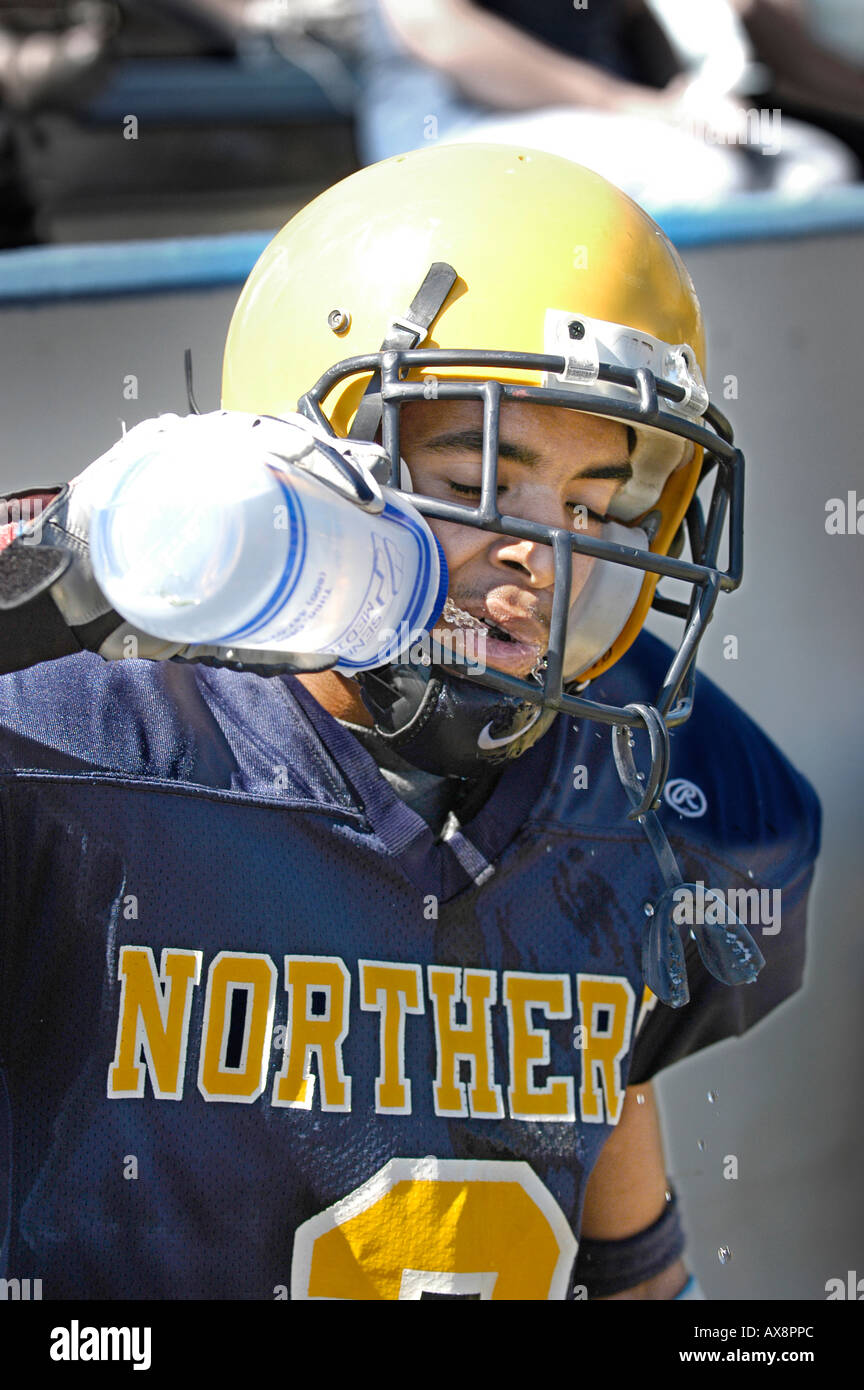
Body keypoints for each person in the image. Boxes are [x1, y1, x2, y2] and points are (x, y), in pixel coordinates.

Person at [0, 144, 819, 1301]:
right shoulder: (75, 753)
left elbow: (636, 1262)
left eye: (594, 502)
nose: (546, 554)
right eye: (482, 477)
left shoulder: (642, 791)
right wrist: (58, 571)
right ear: (303, 460)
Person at [358, 0, 861, 205]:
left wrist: (690, 93)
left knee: (817, 166)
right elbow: (436, 30)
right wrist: (633, 104)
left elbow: (744, 21)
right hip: (450, 139)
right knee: (704, 174)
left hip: (633, 123)